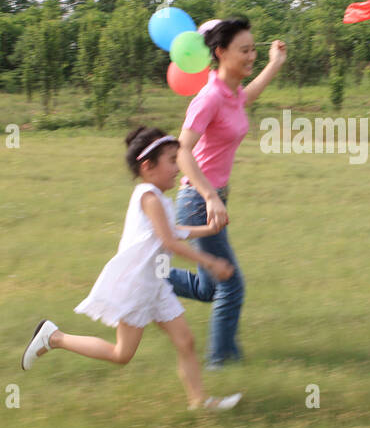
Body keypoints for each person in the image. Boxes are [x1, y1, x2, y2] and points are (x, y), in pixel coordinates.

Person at [21, 126, 242, 411]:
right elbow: (169, 241)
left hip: (156, 284)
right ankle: (54, 337)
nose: (177, 168)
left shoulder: (158, 198)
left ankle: (199, 402)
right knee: (121, 354)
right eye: (172, 161)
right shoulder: (148, 197)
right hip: (137, 286)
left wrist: (207, 229)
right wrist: (210, 262)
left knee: (185, 341)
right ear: (148, 166)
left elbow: (173, 230)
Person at [168, 16, 286, 369]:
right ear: (220, 52)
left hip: (211, 198)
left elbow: (247, 97)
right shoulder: (209, 97)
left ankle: (149, 274)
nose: (251, 56)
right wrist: (210, 196)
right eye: (244, 50)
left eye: (253, 50)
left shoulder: (230, 93)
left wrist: (274, 63)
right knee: (231, 283)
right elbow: (181, 151)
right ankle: (220, 362)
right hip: (198, 200)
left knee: (208, 288)